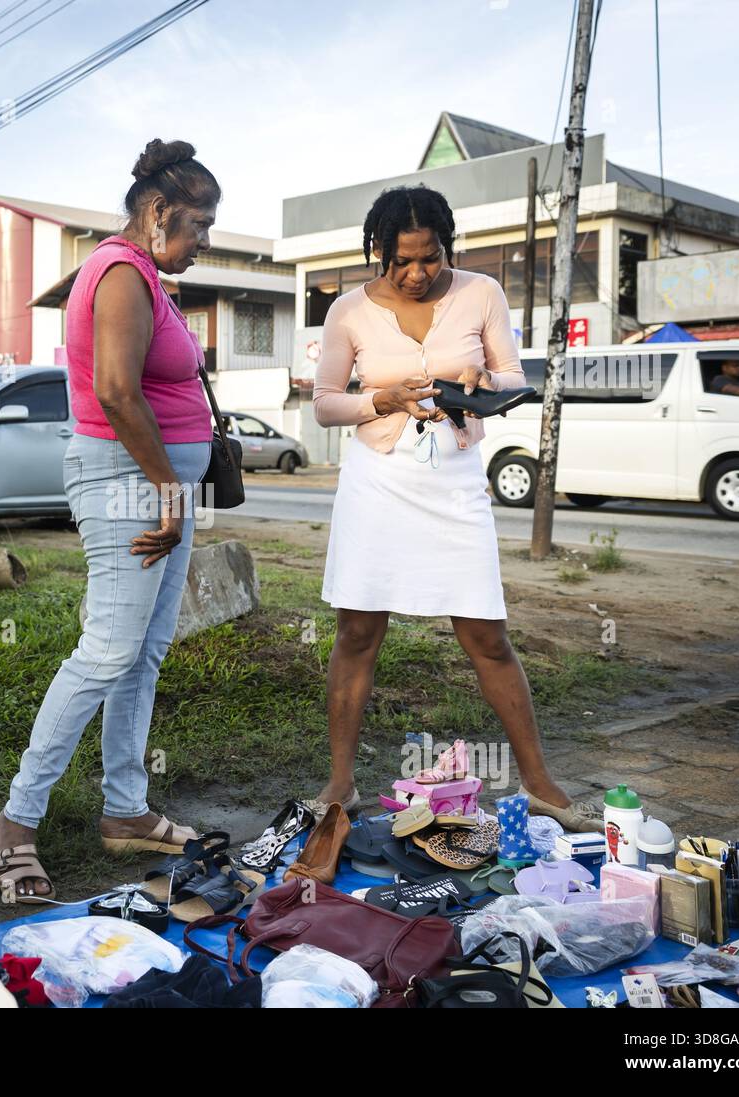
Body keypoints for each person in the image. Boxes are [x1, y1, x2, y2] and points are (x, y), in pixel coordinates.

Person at [309, 184, 601, 833]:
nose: (417, 273)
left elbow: (514, 379)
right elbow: (327, 401)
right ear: (377, 250)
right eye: (402, 260)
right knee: (358, 631)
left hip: (455, 479)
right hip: (377, 479)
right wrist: (379, 400)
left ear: (447, 248)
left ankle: (539, 781)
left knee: (485, 633)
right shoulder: (349, 310)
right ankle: (340, 780)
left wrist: (480, 384)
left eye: (430, 258)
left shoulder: (480, 293)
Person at [0, 139, 220, 902]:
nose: (203, 241)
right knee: (107, 650)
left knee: (143, 653)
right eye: (198, 225)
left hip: (157, 486)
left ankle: (124, 809)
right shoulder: (120, 272)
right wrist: (166, 485)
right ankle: (16, 822)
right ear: (157, 212)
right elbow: (118, 392)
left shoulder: (145, 275)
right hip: (130, 482)